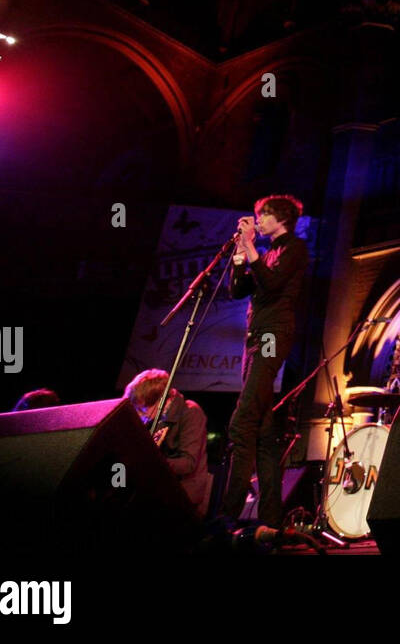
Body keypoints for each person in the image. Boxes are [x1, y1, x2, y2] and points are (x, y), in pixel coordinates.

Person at [219, 194, 309, 528]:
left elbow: (271, 285)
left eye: (264, 215)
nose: (258, 221)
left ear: (280, 218)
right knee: (264, 432)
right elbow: (238, 291)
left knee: (242, 422)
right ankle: (271, 519)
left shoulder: (293, 249)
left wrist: (252, 249)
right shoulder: (267, 252)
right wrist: (241, 256)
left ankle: (227, 517)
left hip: (273, 335)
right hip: (254, 336)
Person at [125, 368, 212, 518]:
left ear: (161, 400)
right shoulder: (153, 420)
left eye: (142, 408)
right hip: (157, 493)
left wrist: (151, 463)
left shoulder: (190, 412)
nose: (139, 414)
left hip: (183, 498)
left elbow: (188, 463)